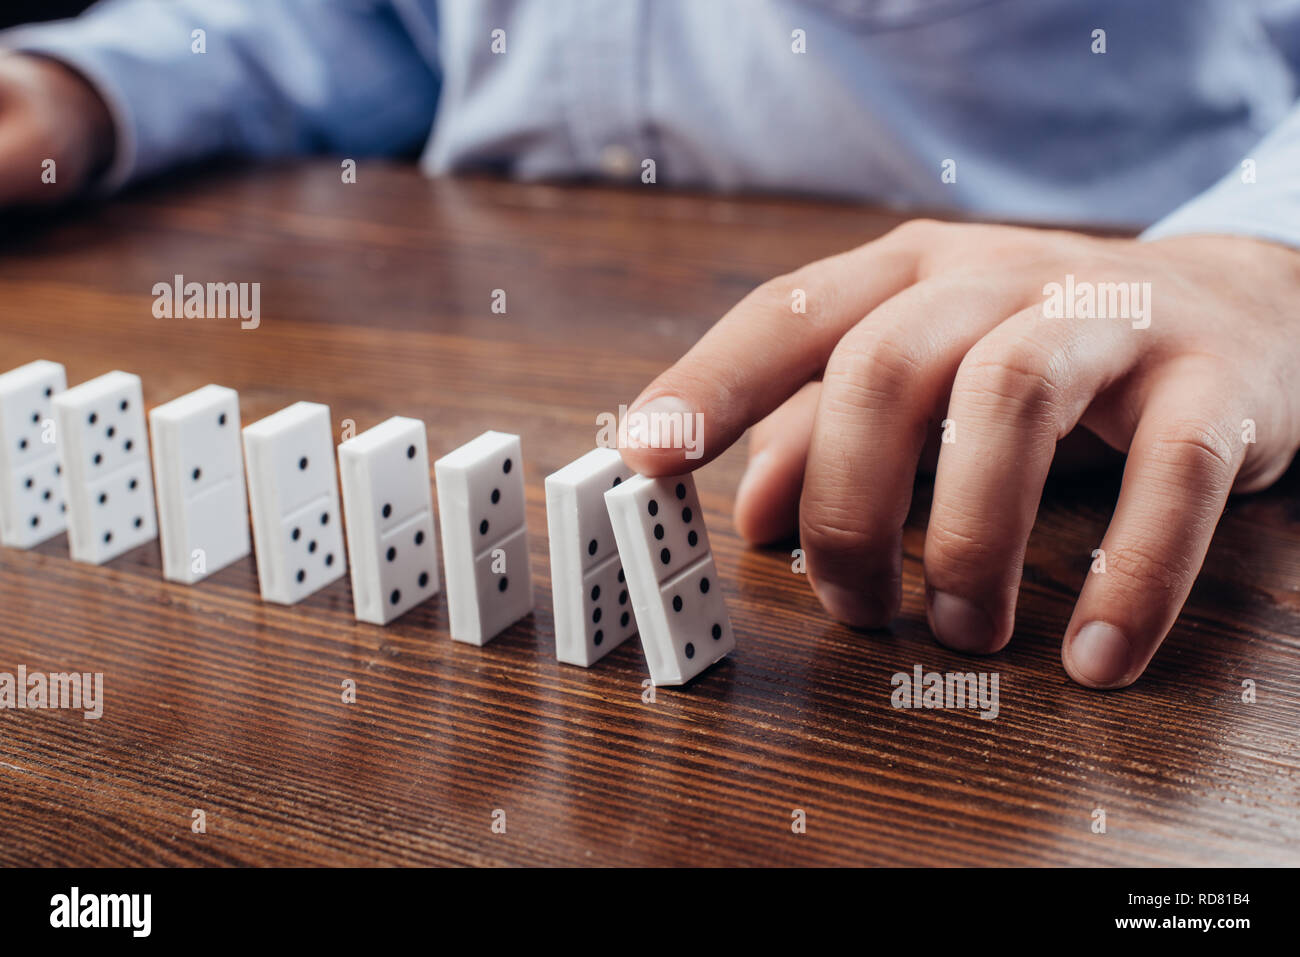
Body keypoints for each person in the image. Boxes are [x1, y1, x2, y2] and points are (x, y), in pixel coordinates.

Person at [2, 1, 1298, 690]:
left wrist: (1260, 257)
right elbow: (382, 24)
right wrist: (96, 90)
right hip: (460, 329)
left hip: (1094, 404)